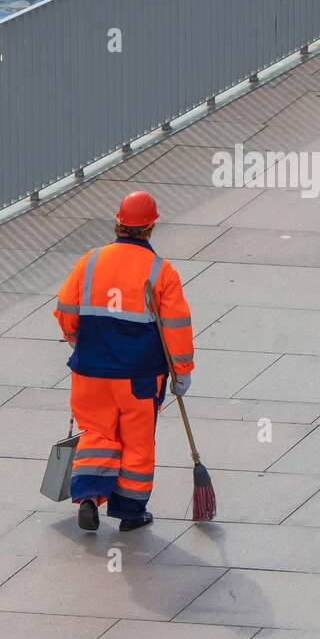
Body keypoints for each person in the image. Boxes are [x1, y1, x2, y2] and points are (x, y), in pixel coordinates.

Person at [53, 190, 194, 532]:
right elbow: (176, 326)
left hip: (90, 372)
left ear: (117, 222)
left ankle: (88, 496)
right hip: (139, 377)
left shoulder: (90, 261)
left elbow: (65, 308)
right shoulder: (160, 272)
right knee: (137, 443)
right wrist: (181, 372)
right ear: (150, 227)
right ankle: (130, 512)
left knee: (96, 433)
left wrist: (77, 339)